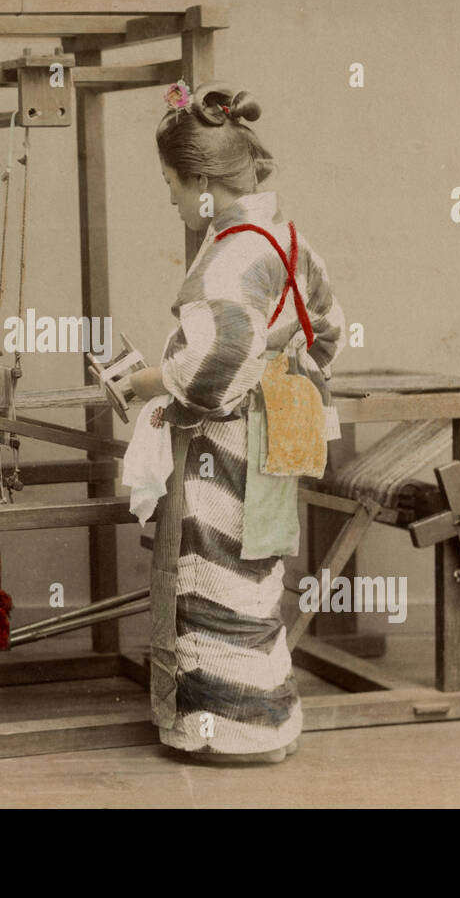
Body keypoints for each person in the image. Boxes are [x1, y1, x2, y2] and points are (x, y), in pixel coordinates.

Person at [126, 83, 345, 762]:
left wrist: (149, 382)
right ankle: (269, 726)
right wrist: (279, 366)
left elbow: (217, 365)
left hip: (223, 444)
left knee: (211, 573)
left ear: (200, 181)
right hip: (275, 433)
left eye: (170, 182)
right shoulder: (286, 237)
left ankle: (226, 735)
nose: (168, 197)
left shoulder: (227, 256)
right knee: (256, 580)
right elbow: (328, 330)